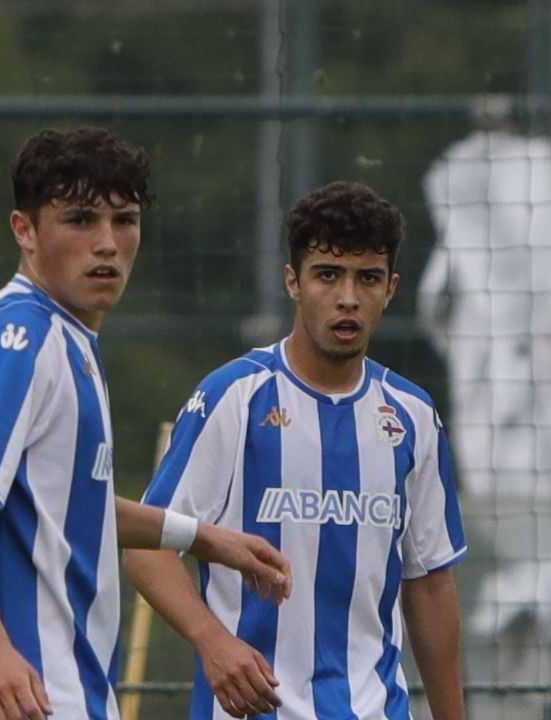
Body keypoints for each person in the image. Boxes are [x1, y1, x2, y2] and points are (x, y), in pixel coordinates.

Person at [0, 127, 291, 720]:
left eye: (125, 219)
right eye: (81, 219)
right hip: (16, 694)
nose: (108, 243)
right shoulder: (23, 337)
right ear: (25, 230)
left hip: (68, 689)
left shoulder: (70, 341)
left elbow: (65, 505)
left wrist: (205, 537)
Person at [124, 181, 467, 720]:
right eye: (328, 275)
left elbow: (429, 582)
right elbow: (145, 544)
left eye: (367, 278)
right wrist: (214, 642)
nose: (348, 297)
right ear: (293, 281)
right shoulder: (234, 396)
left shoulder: (412, 415)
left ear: (391, 288)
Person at [417, 128, 551, 718]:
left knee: (543, 574)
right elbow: (438, 306)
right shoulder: (473, 255)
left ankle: (546, 690)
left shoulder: (550, 213)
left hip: (542, 452)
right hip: (494, 451)